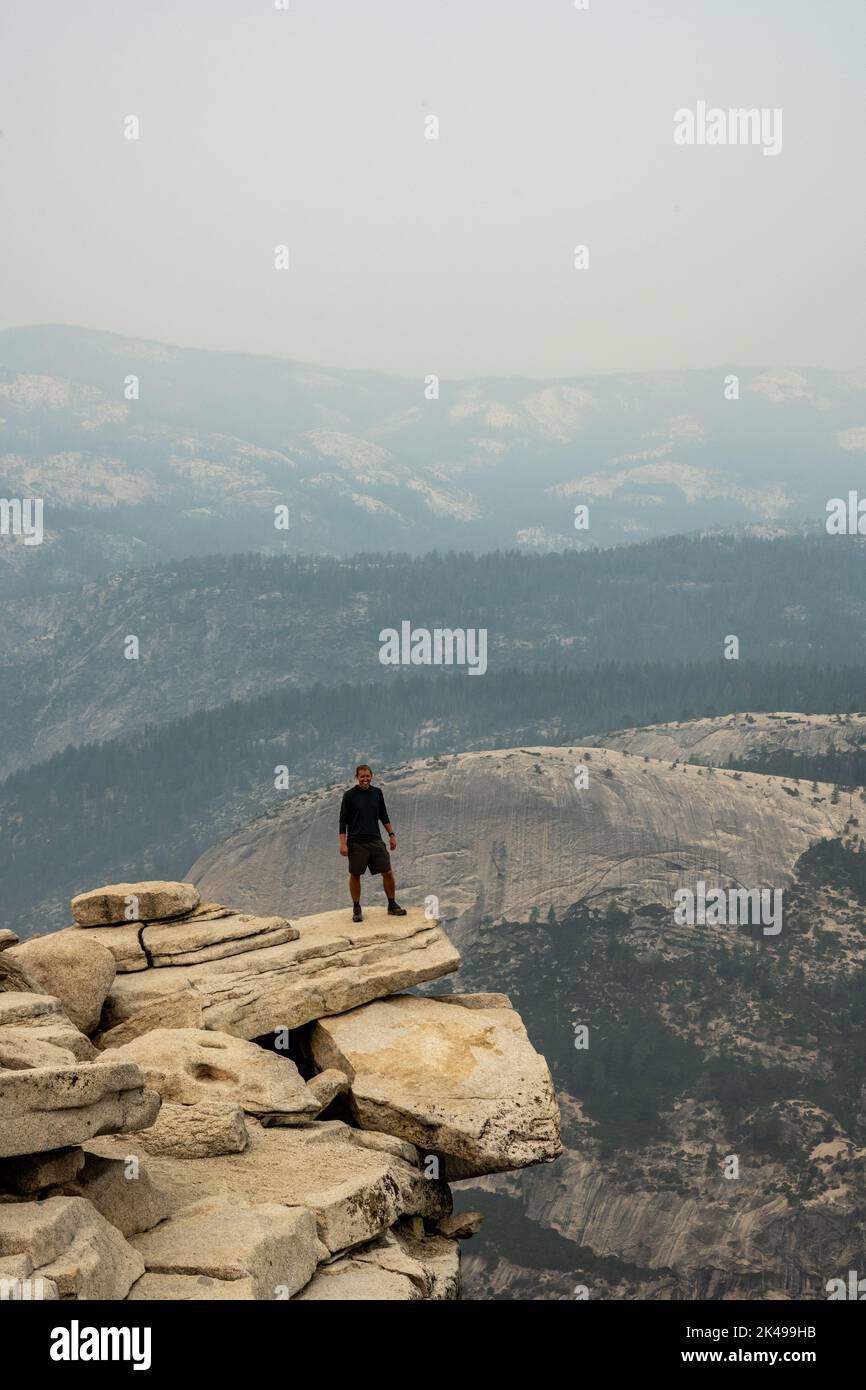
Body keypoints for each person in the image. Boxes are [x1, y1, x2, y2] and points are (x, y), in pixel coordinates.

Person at [338, 763, 406, 922]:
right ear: (357, 777)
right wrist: (343, 843)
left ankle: (392, 904)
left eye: (367, 776)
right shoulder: (349, 796)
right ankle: (356, 908)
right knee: (355, 875)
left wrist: (392, 834)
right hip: (356, 842)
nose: (365, 779)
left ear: (371, 776)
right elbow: (343, 821)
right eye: (362, 776)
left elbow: (383, 815)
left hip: (375, 840)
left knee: (387, 872)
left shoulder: (377, 793)